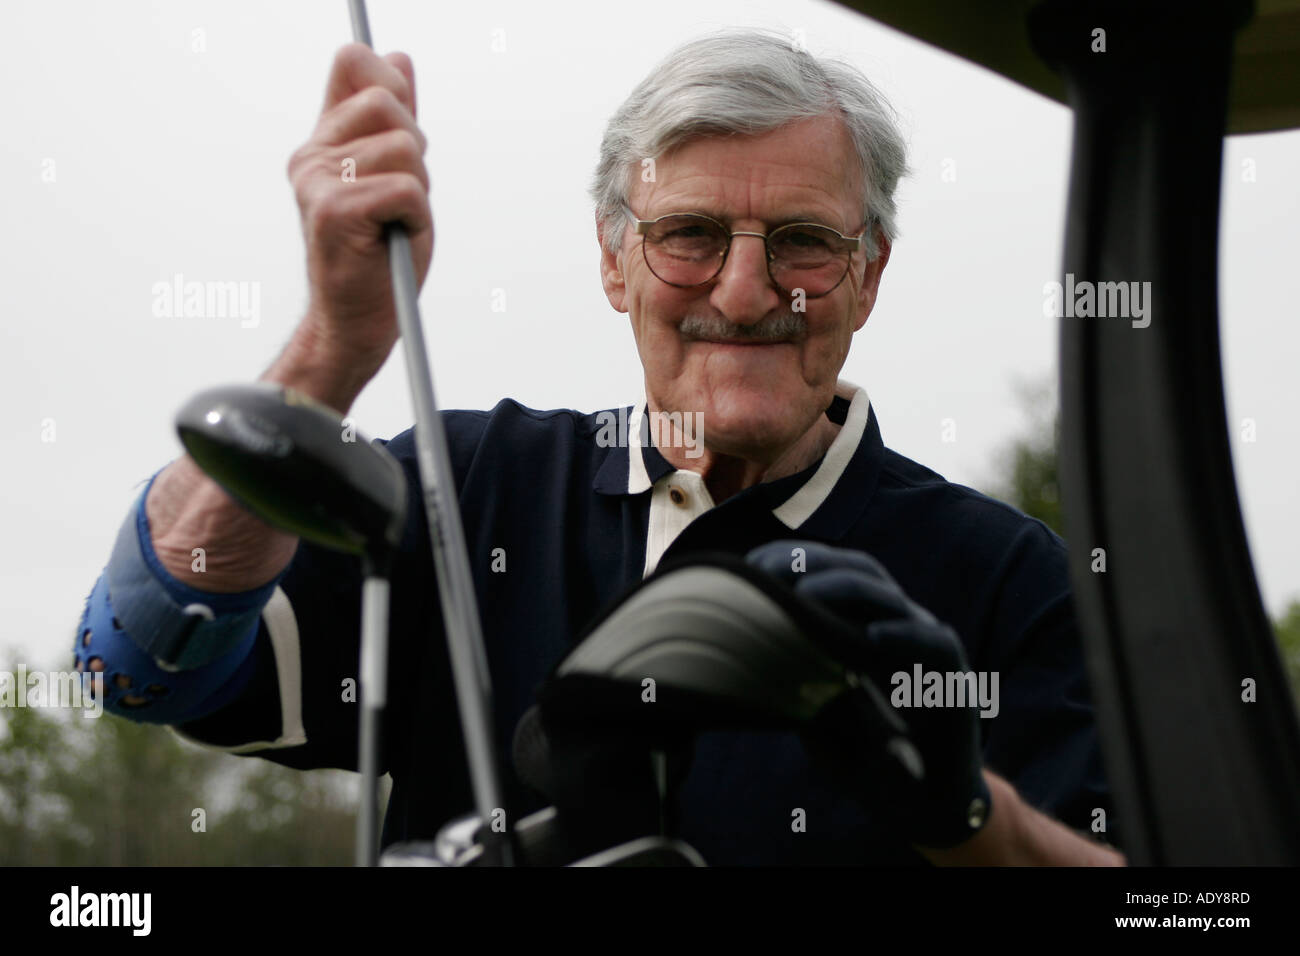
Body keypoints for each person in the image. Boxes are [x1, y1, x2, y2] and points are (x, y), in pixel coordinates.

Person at [74, 29, 1123, 865]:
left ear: (870, 273)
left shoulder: (1006, 575)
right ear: (615, 261)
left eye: (803, 241)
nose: (747, 292)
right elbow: (137, 665)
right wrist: (334, 342)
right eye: (690, 235)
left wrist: (965, 814)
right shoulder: (464, 489)